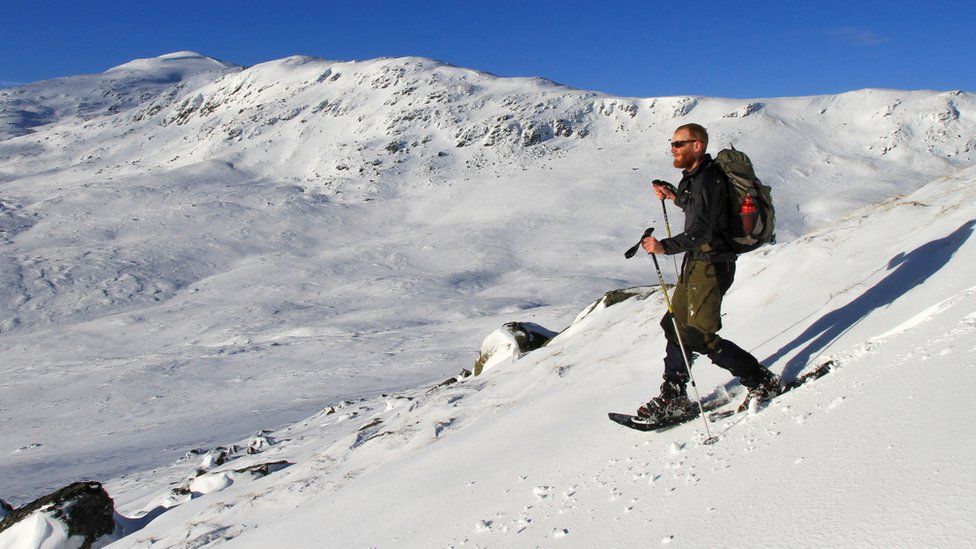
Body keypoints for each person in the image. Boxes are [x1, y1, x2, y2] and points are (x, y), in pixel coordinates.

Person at [637, 123, 780, 419]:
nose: (673, 149)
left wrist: (663, 247)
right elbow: (700, 210)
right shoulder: (697, 177)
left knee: (701, 336)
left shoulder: (708, 179)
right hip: (698, 263)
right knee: (674, 325)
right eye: (672, 143)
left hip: (712, 265)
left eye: (679, 144)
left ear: (697, 145)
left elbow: (701, 231)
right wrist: (674, 195)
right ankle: (673, 395)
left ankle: (762, 382)